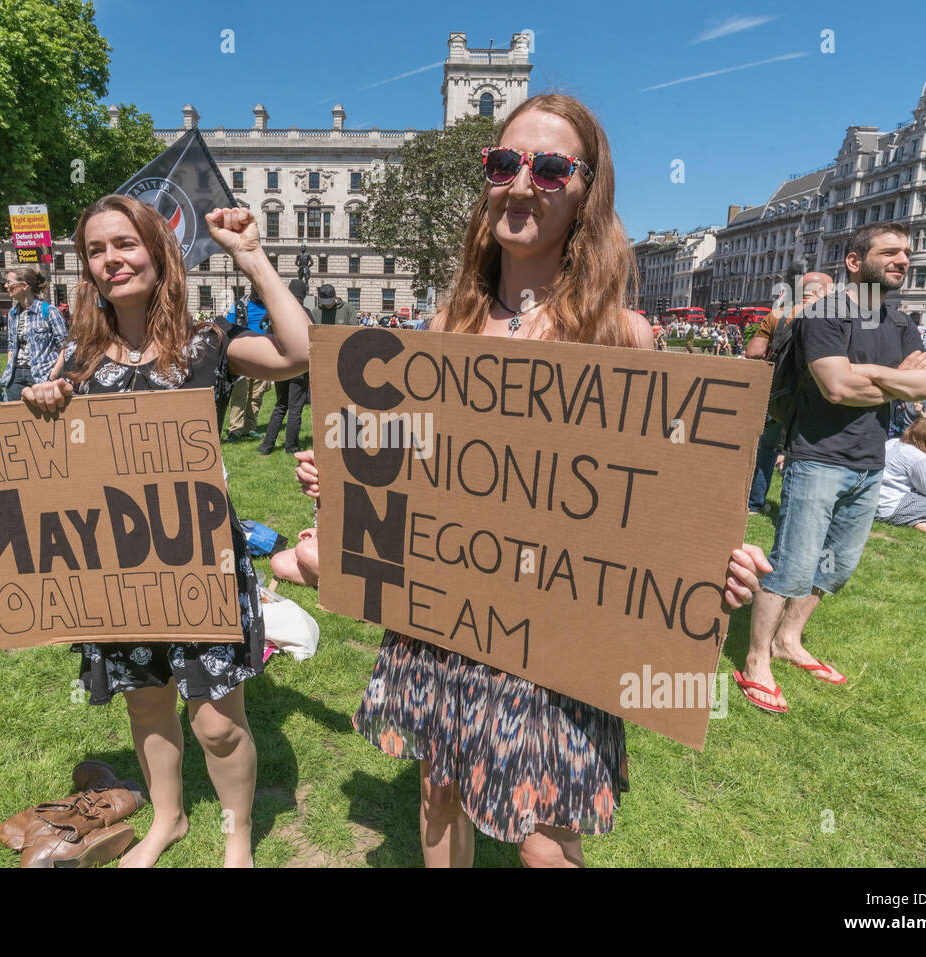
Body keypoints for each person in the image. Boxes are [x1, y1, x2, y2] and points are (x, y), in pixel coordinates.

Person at [295, 93, 769, 867]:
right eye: (504, 163)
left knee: (548, 839)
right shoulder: (449, 327)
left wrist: (712, 558)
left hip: (559, 622)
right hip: (449, 611)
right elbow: (414, 464)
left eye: (550, 169)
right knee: (438, 790)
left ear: (587, 191)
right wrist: (348, 479)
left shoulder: (623, 336)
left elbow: (654, 496)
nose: (522, 183)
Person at [22, 194, 310, 868]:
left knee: (216, 721)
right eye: (96, 250)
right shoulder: (79, 359)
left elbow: (299, 352)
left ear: (158, 249)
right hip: (115, 565)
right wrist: (40, 404)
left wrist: (250, 254)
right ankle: (167, 820)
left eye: (124, 243)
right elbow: (49, 468)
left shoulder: (207, 343)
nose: (110, 260)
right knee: (146, 705)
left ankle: (237, 834)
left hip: (199, 559)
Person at [735, 223, 926, 713]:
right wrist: (901, 382)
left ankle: (790, 639)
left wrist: (873, 374)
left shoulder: (899, 320)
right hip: (817, 456)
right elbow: (837, 389)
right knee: (790, 566)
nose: (902, 260)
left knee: (838, 567)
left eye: (906, 253)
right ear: (855, 262)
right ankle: (755, 660)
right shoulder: (825, 313)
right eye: (889, 252)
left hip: (872, 459)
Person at [744, 273, 835, 513]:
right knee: (805, 454)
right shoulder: (830, 316)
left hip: (778, 396)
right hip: (814, 398)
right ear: (821, 291)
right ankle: (795, 508)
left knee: (767, 448)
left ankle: (754, 503)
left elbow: (753, 352)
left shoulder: (777, 315)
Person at [875, 418, 926, 535]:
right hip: (890, 510)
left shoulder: (892, 442)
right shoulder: (919, 457)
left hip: (873, 505)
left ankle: (913, 521)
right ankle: (912, 520)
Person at [259, 278, 312, 456]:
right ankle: (291, 447)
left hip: (281, 366)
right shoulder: (306, 314)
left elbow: (269, 336)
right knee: (295, 409)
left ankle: (267, 446)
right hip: (299, 367)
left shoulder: (277, 312)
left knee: (280, 405)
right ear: (303, 295)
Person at [0, 267, 67, 401]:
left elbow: (65, 347)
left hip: (42, 375)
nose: (6, 286)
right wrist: (9, 368)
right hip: (15, 375)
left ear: (24, 286)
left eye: (9, 282)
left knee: (45, 419)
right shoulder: (13, 313)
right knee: (15, 418)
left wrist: (52, 376)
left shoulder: (49, 311)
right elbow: (11, 346)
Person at [225, 284, 272, 440]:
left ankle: (249, 427)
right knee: (240, 395)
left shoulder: (272, 307)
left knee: (256, 396)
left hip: (263, 356)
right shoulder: (239, 306)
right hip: (243, 357)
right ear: (252, 290)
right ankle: (235, 430)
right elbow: (227, 326)